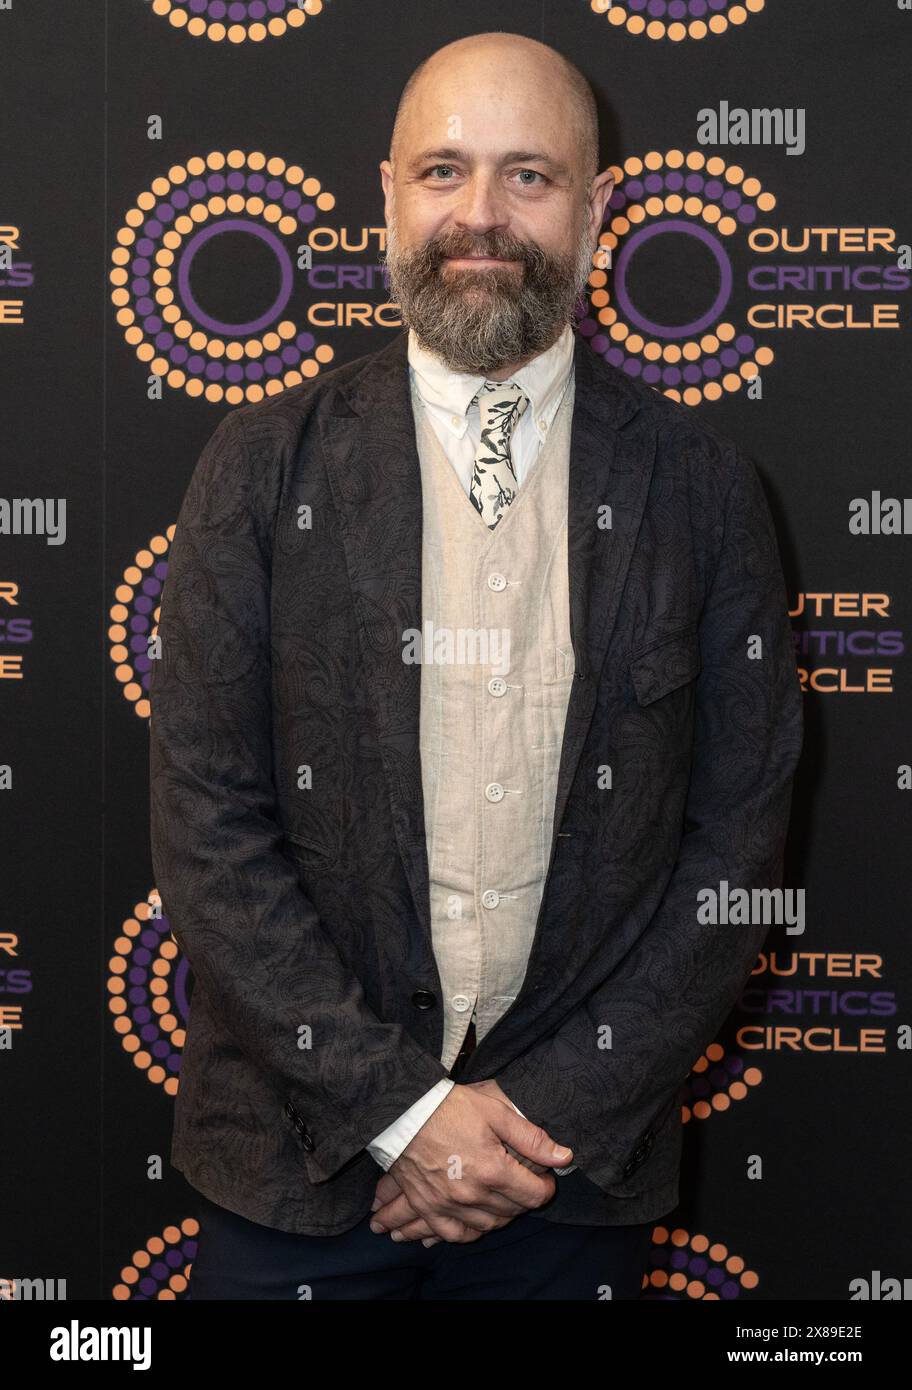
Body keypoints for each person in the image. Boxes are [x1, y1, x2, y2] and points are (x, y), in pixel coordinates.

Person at [149, 31, 803, 1300]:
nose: (482, 217)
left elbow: (738, 848)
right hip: (295, 1170)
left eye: (530, 176)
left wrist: (521, 1129)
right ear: (387, 191)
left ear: (601, 210)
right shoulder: (260, 466)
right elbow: (205, 827)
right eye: (444, 172)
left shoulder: (705, 489)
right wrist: (405, 1114)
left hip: (567, 1177)